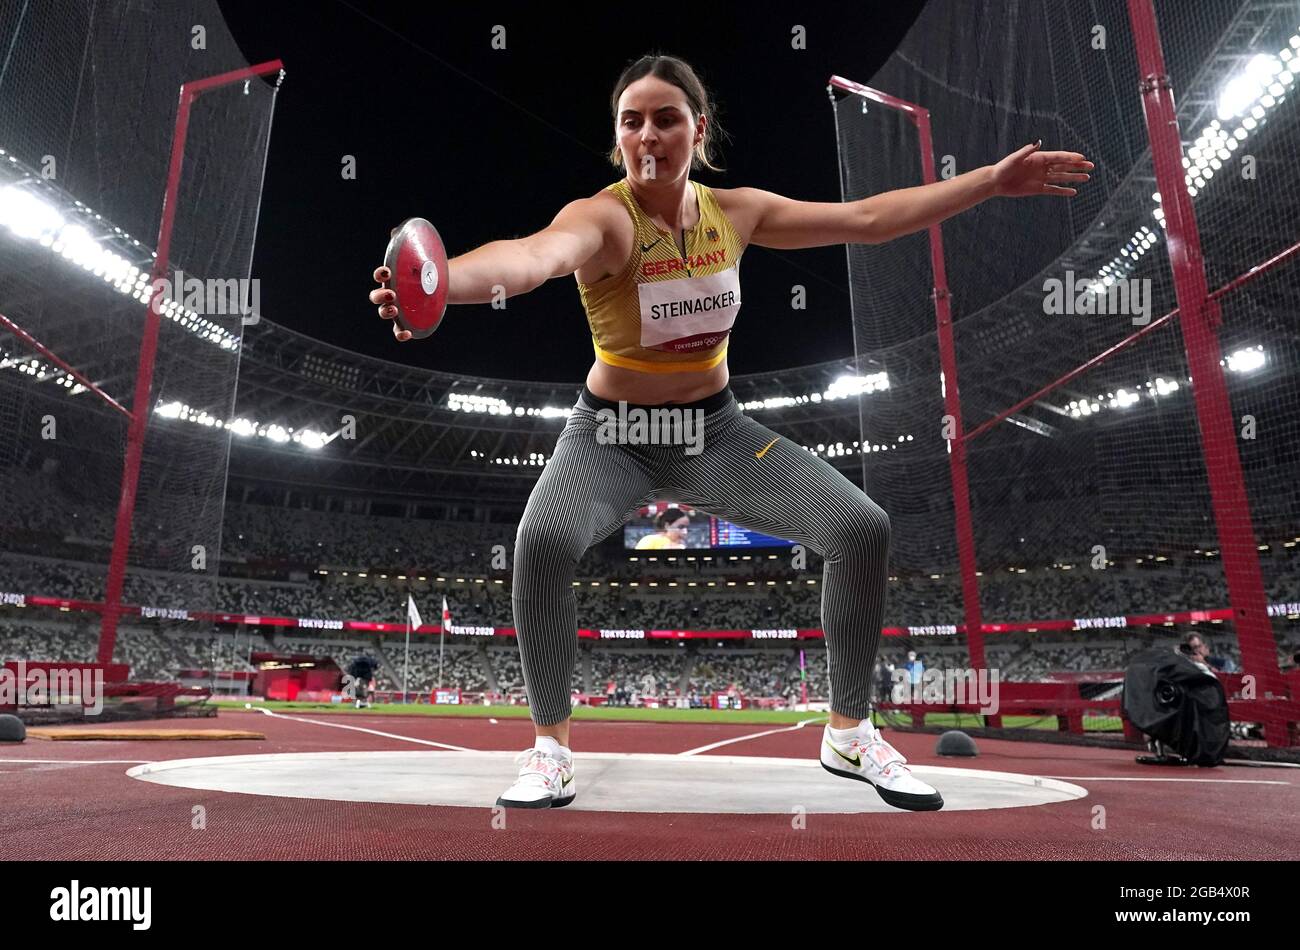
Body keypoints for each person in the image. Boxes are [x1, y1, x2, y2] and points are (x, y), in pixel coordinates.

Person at [369, 54, 1091, 811]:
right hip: (610, 435)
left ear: (698, 129)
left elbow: (869, 220)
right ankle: (550, 749)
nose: (648, 134)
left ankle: (849, 733)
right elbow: (529, 259)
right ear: (618, 139)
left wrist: (988, 181)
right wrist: (443, 280)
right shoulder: (602, 219)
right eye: (631, 121)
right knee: (542, 542)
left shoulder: (737, 213)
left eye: (666, 117)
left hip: (714, 432)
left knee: (862, 527)